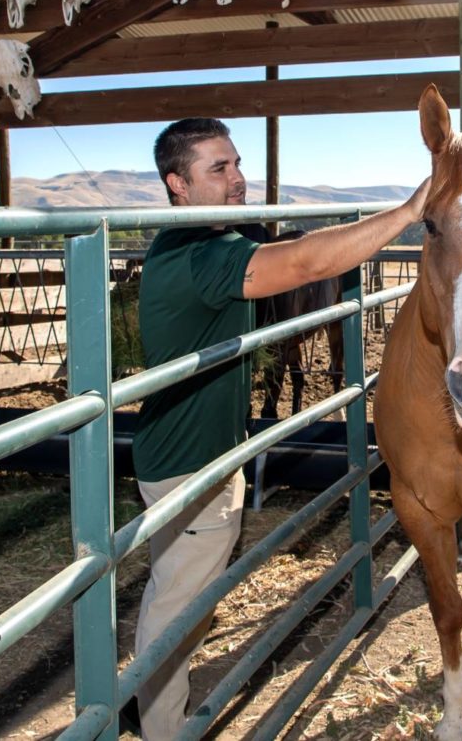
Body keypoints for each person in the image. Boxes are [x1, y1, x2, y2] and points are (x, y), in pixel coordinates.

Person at [130, 117, 428, 740]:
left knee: (183, 588)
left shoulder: (185, 241)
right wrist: (407, 212)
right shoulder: (203, 256)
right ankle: (160, 725)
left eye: (237, 163)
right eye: (218, 168)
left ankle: (146, 697)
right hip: (190, 462)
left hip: (193, 450)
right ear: (178, 184)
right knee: (178, 602)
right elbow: (309, 261)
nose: (238, 179)